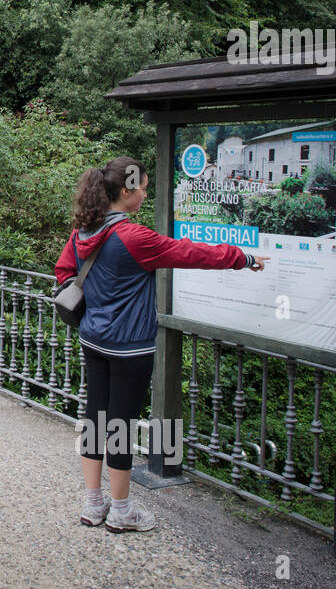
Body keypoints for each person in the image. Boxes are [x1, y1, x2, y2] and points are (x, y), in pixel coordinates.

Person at [54, 156, 269, 533]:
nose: (146, 193)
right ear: (126, 190)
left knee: (95, 417)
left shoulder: (83, 231)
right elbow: (192, 253)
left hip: (93, 338)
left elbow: (64, 273)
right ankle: (121, 511)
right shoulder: (134, 238)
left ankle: (93, 504)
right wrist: (243, 257)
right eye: (143, 187)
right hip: (130, 347)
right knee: (120, 423)